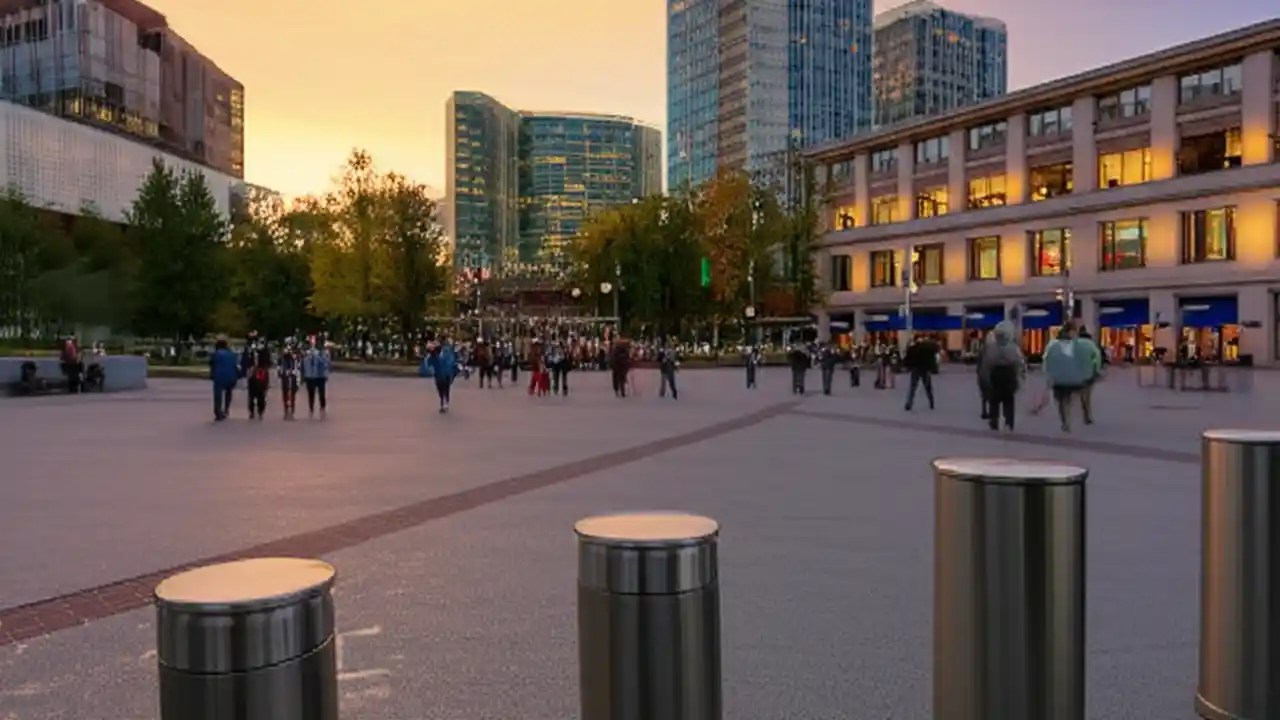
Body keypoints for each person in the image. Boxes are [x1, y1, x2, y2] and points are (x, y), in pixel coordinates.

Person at [977, 321, 1025, 431]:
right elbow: (1019, 363)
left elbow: (986, 364)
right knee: (1008, 400)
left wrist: (984, 379)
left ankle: (994, 420)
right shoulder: (1013, 348)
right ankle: (1009, 422)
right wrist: (1020, 378)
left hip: (996, 375)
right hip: (1009, 374)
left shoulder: (991, 347)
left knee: (995, 400)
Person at [1043, 325, 1092, 432]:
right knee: (1069, 399)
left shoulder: (1053, 347)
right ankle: (1070, 418)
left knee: (1062, 401)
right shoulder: (1079, 347)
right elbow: (1084, 362)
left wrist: (1050, 377)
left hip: (1060, 380)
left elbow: (1049, 363)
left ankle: (1065, 421)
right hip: (1074, 379)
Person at [903, 335, 940, 411]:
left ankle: (909, 403)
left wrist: (907, 367)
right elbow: (933, 355)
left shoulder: (912, 348)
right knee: (928, 386)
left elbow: (908, 358)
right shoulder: (927, 347)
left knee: (913, 387)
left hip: (915, 369)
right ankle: (931, 402)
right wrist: (933, 368)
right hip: (925, 369)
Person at [208, 337, 240, 421]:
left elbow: (212, 365)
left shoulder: (215, 354)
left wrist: (211, 375)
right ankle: (226, 408)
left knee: (218, 393)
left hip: (219, 377)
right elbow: (235, 365)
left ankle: (218, 411)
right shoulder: (232, 354)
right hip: (231, 377)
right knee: (228, 391)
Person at [1076, 327, 1103, 425]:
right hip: (1089, 373)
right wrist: (1097, 370)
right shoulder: (1091, 345)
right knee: (1086, 394)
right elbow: (1097, 358)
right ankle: (1086, 414)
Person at [427, 337, 460, 413]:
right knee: (440, 389)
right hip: (438, 374)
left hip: (446, 374)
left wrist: (454, 368)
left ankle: (445, 403)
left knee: (446, 388)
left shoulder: (447, 352)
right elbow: (429, 362)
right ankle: (443, 402)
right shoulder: (433, 354)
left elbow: (452, 360)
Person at [301, 339, 331, 418]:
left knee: (322, 393)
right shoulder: (309, 352)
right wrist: (303, 375)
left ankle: (322, 407)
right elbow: (304, 363)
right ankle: (311, 408)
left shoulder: (324, 353)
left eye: (320, 344)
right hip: (310, 376)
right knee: (311, 393)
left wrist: (326, 374)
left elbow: (327, 364)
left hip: (321, 376)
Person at [246, 342, 273, 420]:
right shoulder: (265, 351)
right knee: (261, 394)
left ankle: (252, 411)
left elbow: (247, 363)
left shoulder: (251, 351)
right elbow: (269, 363)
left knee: (252, 394)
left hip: (254, 375)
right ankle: (260, 410)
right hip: (262, 375)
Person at [277, 339, 301, 420]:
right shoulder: (283, 355)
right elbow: (280, 364)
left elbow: (298, 364)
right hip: (285, 376)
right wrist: (281, 372)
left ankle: (291, 411)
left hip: (293, 376)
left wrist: (296, 373)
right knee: (285, 393)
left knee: (293, 394)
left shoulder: (296, 354)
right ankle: (286, 410)